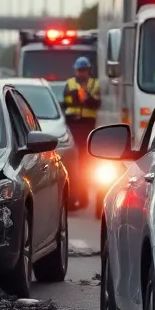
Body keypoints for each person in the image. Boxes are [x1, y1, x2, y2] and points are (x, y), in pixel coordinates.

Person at [63, 56, 101, 202]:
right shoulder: (69, 84)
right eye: (79, 70)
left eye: (84, 70)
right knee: (75, 160)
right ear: (75, 70)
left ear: (88, 70)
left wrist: (88, 98)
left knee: (86, 160)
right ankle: (78, 194)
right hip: (73, 124)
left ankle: (83, 193)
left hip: (87, 124)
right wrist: (75, 98)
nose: (82, 73)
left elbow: (97, 103)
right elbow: (66, 104)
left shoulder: (94, 84)